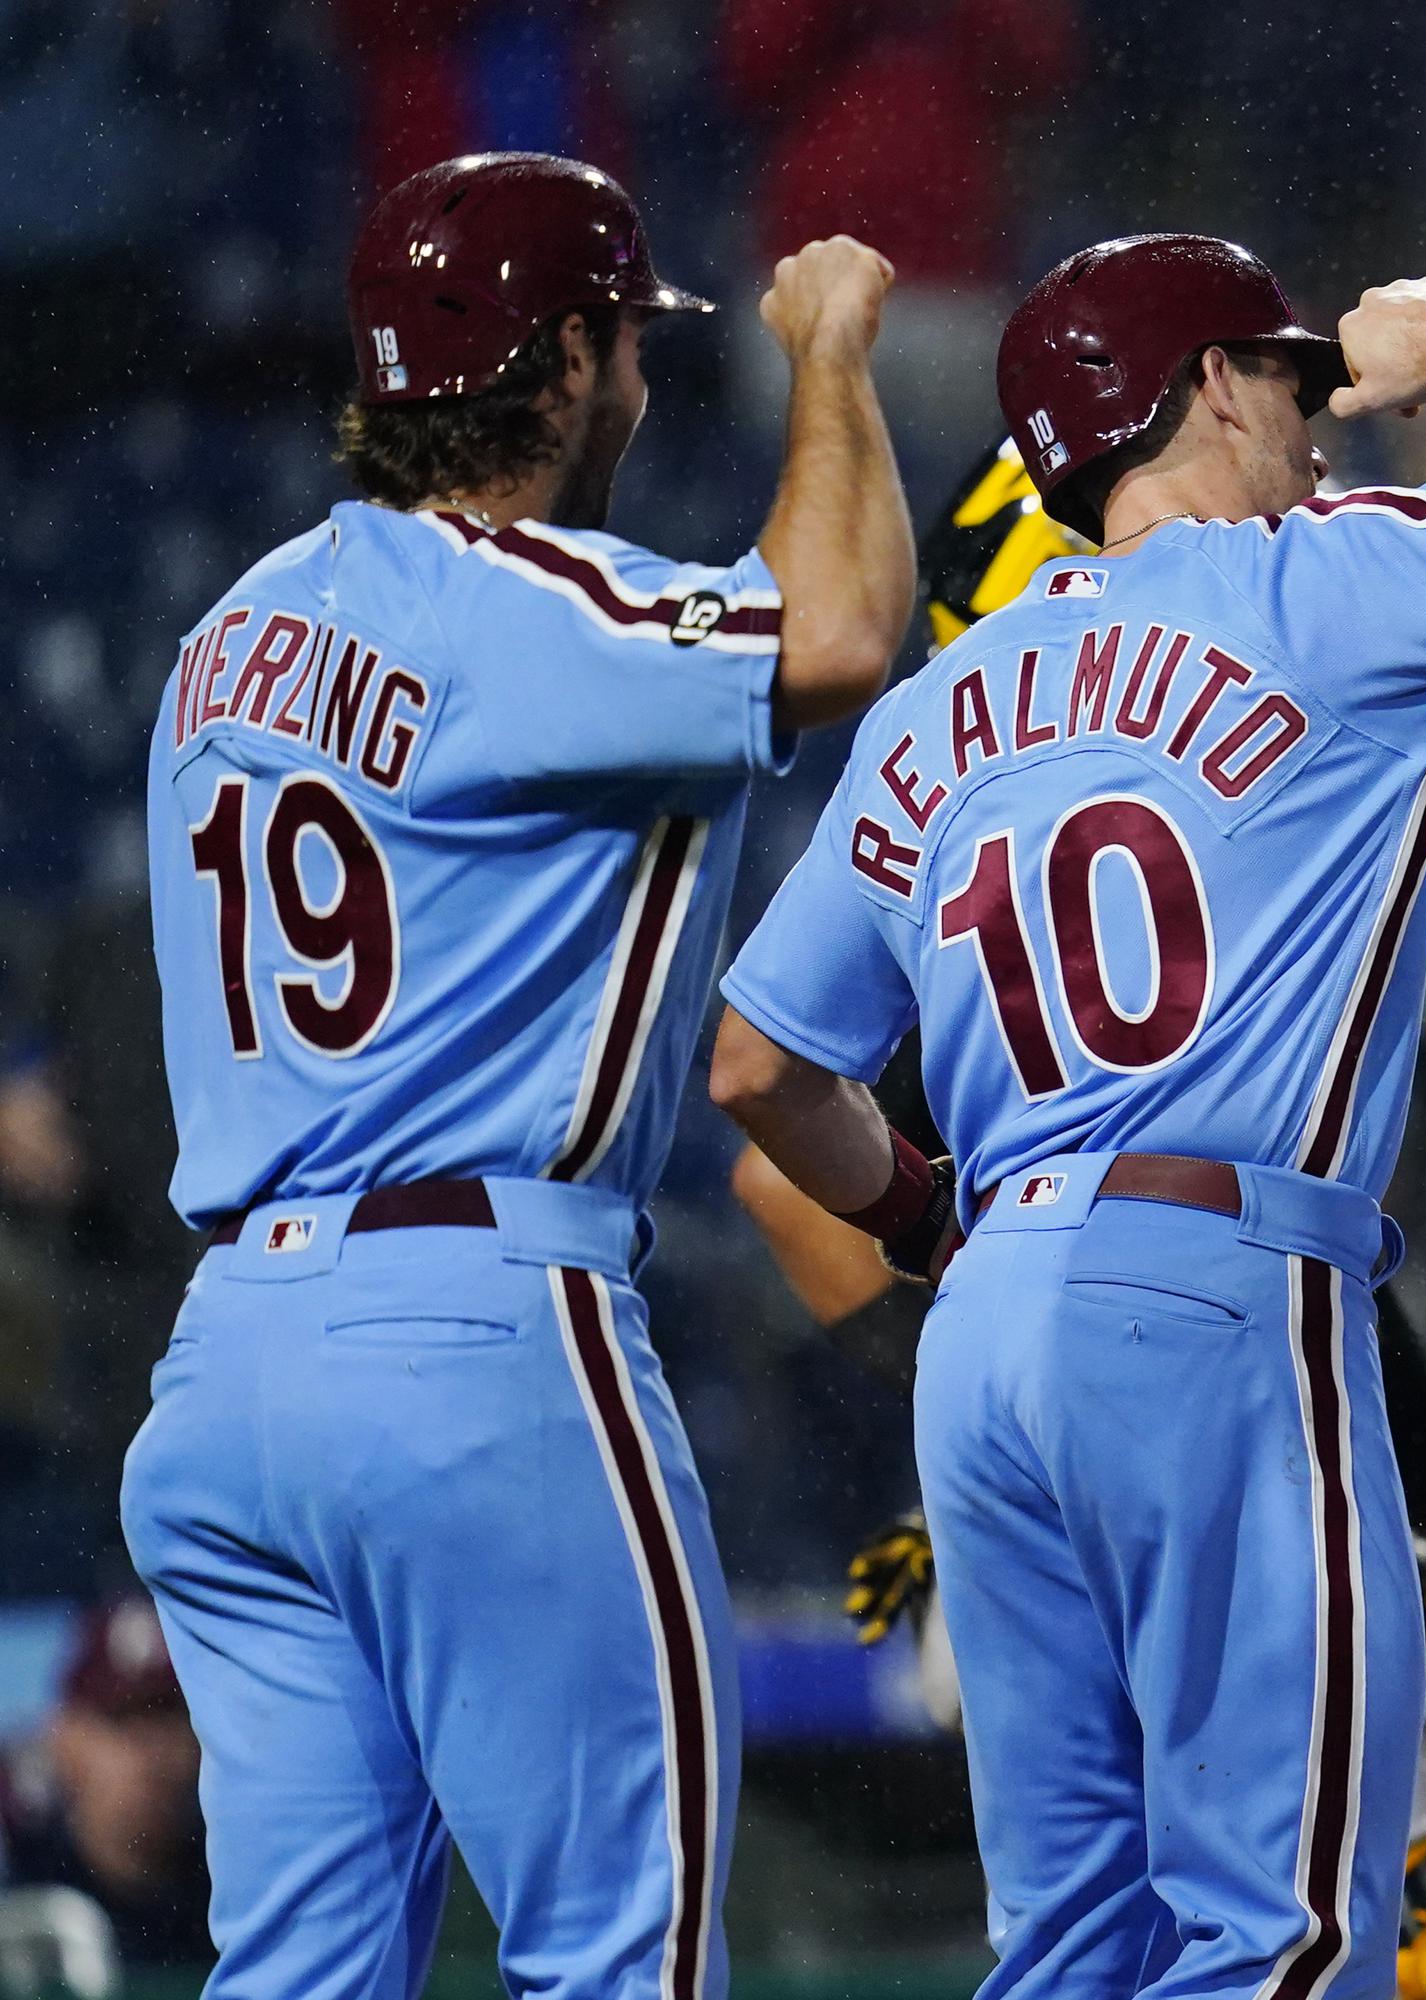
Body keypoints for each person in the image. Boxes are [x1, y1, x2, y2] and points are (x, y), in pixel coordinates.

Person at [708, 231, 1426, 2000]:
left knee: (1068, 1945)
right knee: (1290, 1930)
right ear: (1192, 391)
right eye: (1280, 375)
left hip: (991, 1345)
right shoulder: (1316, 580)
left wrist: (926, 1228)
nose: (1314, 413)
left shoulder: (939, 706)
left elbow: (756, 1071)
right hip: (1213, 1291)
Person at [122, 151, 912, 2000]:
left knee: (300, 1979)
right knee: (622, 1958)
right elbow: (849, 631)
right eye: (624, 337)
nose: (638, 375)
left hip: (227, 1363)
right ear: (557, 361)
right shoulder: (523, 605)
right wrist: (837, 357)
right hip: (469, 1332)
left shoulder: (225, 629)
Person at [0, 1596, 211, 1973]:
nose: (152, 1749)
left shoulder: (240, 1889)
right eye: (120, 1719)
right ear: (65, 1737)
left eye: (169, 1714)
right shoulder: (18, 1893)